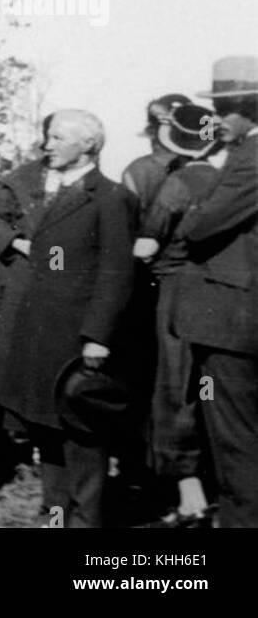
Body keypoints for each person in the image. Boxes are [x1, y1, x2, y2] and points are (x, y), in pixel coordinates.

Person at [0, 109, 136, 528]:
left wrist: (98, 337)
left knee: (83, 437)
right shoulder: (52, 190)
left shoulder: (111, 198)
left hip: (77, 340)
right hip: (40, 333)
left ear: (86, 145)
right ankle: (56, 515)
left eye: (57, 138)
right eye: (48, 137)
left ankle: (85, 521)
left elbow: (116, 273)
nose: (46, 145)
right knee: (46, 429)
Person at [178, 55, 258, 528]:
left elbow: (199, 225)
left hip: (234, 324)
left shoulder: (249, 158)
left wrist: (198, 205)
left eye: (224, 108)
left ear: (248, 106)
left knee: (236, 445)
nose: (216, 120)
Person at [132, 103, 220, 526]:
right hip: (219, 294)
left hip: (176, 294)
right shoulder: (227, 182)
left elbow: (146, 246)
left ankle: (189, 494)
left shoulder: (177, 185)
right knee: (209, 387)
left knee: (173, 387)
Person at [0, 114, 53, 467]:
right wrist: (19, 244)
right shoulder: (21, 179)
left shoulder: (84, 184)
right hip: (15, 281)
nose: (52, 146)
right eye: (49, 138)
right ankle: (0, 440)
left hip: (57, 288)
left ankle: (44, 445)